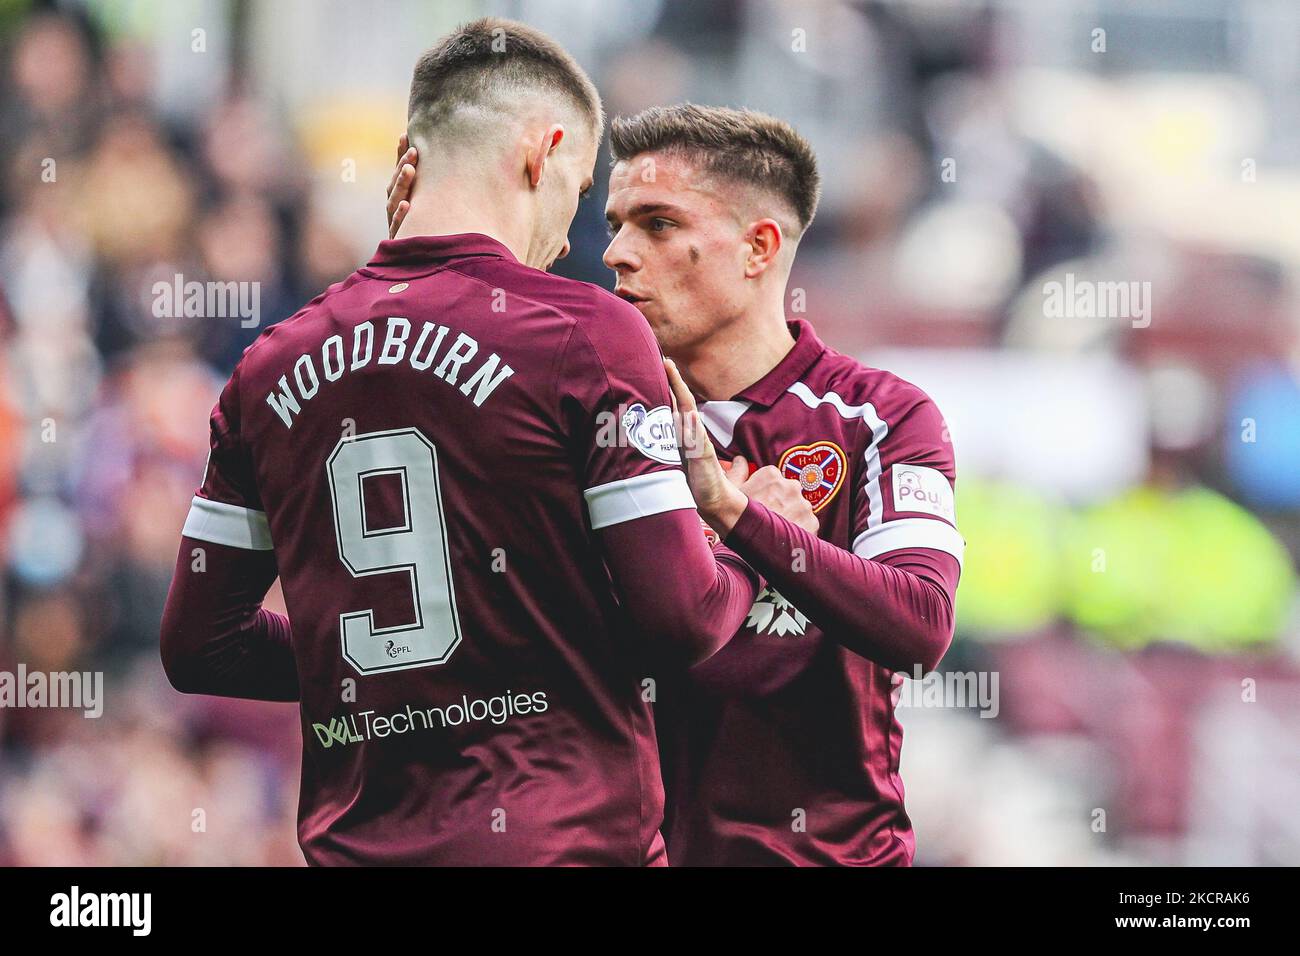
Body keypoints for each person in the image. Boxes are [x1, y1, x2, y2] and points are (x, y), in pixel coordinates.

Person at [159, 20, 815, 867]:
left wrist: (393, 668)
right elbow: (682, 619)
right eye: (579, 196)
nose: (576, 239)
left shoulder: (269, 368)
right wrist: (753, 536)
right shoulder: (585, 334)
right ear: (542, 156)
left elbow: (198, 644)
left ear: (409, 158)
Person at [386, 103, 964, 866]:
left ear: (758, 249)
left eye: (657, 225)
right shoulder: (575, 419)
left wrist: (736, 517)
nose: (617, 253)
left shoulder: (879, 417)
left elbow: (920, 625)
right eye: (616, 222)